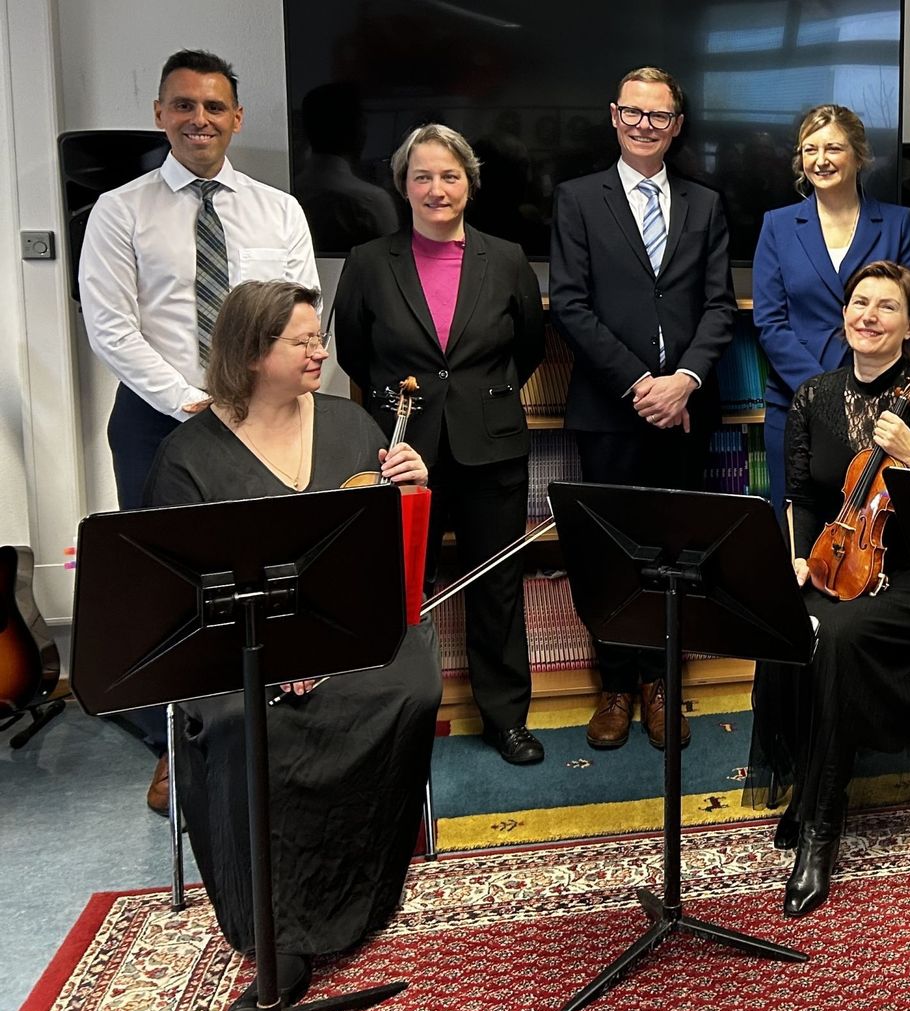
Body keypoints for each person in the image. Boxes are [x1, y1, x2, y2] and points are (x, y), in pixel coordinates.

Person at [143, 280, 440, 1011]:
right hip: (234, 652)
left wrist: (414, 488)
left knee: (405, 690)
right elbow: (179, 600)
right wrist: (279, 661)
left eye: (318, 337)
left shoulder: (348, 423)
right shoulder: (187, 456)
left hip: (347, 633)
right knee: (249, 721)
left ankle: (357, 891)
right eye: (302, 341)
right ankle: (280, 937)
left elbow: (381, 558)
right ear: (250, 354)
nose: (320, 351)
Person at [77, 48, 319, 813]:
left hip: (264, 421)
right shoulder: (122, 210)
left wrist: (261, 398)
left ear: (236, 118)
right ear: (160, 115)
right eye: (184, 105)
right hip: (159, 422)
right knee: (168, 589)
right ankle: (174, 748)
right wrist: (192, 401)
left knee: (263, 576)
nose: (199, 119)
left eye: (214, 107)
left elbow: (304, 311)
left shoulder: (278, 210)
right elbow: (111, 326)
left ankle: (272, 723)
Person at [749, 261, 910, 917]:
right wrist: (798, 557)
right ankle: (806, 782)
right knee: (788, 615)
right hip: (840, 559)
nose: (869, 315)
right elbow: (797, 497)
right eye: (860, 302)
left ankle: (823, 820)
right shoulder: (813, 397)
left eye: (886, 307)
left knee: (842, 636)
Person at [333, 123, 546, 767]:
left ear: (469, 184)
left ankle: (506, 718)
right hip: (403, 453)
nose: (436, 188)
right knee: (402, 585)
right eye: (422, 176)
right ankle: (399, 715)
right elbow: (355, 354)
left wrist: (479, 402)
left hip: (492, 448)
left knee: (498, 586)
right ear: (402, 185)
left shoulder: (506, 258)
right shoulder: (369, 262)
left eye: (449, 175)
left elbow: (528, 347)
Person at [550, 66, 735, 753]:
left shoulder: (706, 204)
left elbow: (719, 306)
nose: (645, 125)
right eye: (633, 112)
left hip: (685, 408)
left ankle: (661, 683)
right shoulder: (576, 200)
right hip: (608, 408)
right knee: (607, 555)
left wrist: (683, 379)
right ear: (613, 115)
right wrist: (640, 383)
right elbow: (569, 303)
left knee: (675, 552)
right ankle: (616, 687)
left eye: (659, 116)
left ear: (677, 125)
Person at [753, 104, 910, 532]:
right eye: (809, 149)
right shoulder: (776, 226)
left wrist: (866, 390)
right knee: (798, 535)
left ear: (859, 155)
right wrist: (822, 393)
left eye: (834, 147)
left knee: (870, 531)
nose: (821, 159)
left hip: (880, 404)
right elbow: (771, 323)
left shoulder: (898, 223)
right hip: (796, 402)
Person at [290, 81, 400, 253]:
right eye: (363, 122)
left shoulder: (286, 198)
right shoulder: (373, 201)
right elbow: (394, 262)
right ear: (357, 130)